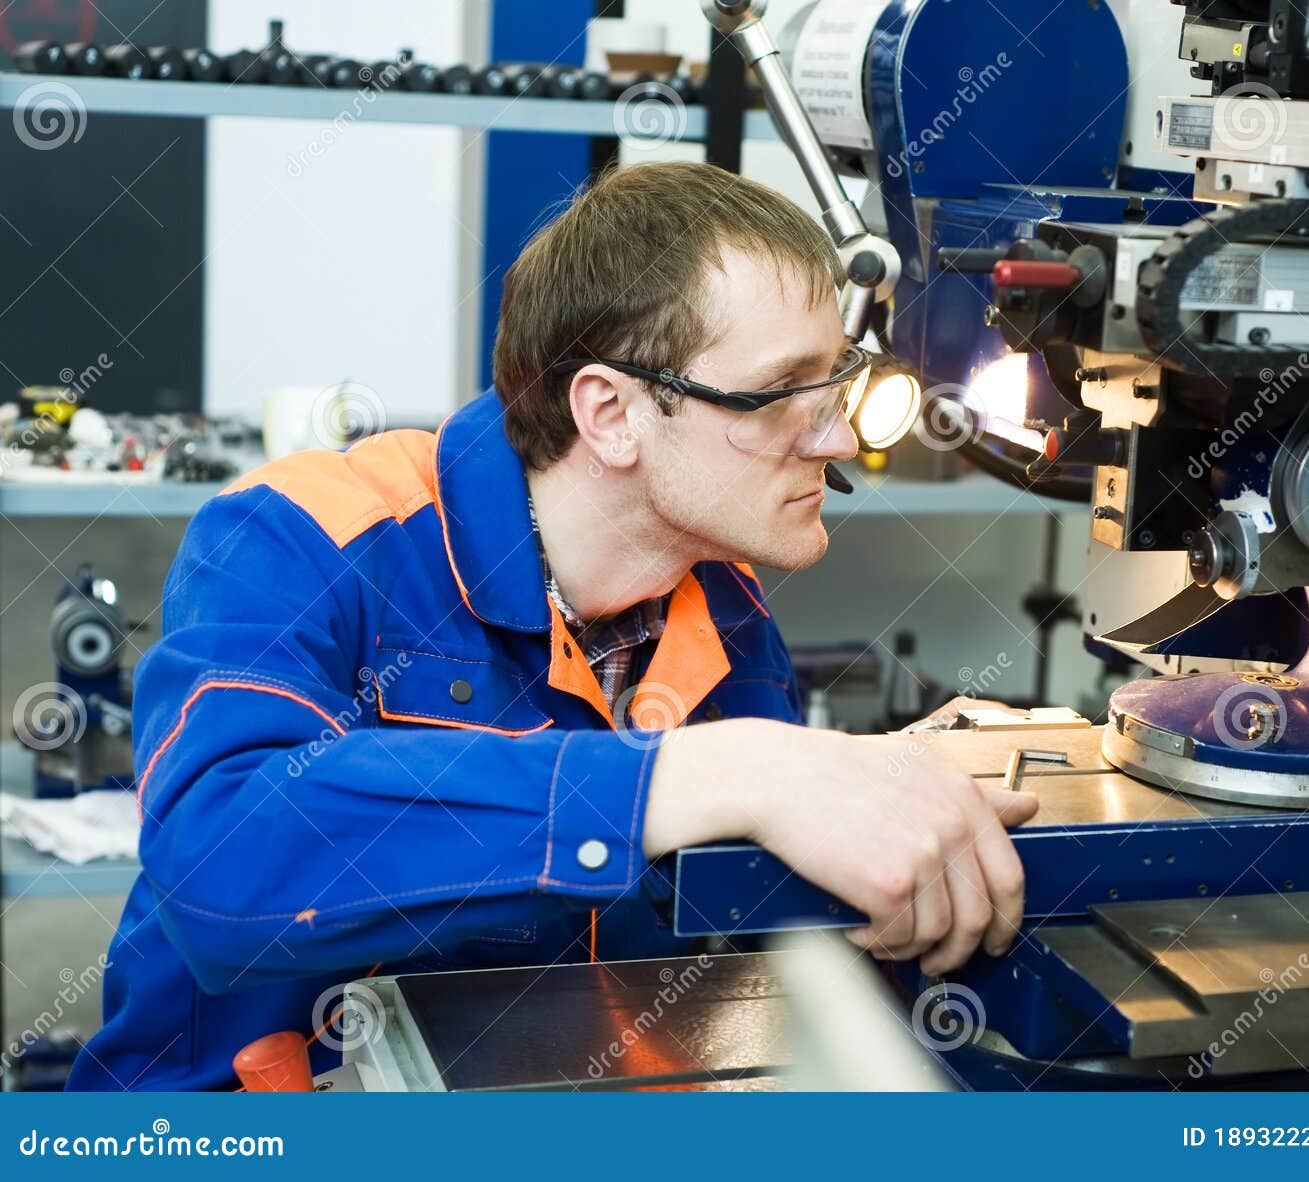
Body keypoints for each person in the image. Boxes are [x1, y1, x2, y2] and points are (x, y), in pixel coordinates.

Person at [69, 162, 1037, 1091]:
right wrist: (710, 774)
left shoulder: (723, 606)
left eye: (841, 384)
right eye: (786, 393)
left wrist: (890, 829)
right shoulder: (305, 535)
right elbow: (223, 858)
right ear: (610, 413)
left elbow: (725, 935)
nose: (837, 441)